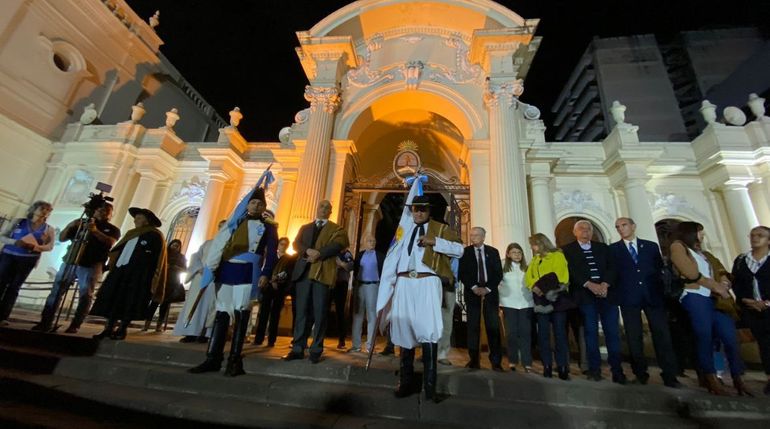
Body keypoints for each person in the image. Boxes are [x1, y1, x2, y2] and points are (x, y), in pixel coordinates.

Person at [376, 194, 464, 402]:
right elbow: (392, 257)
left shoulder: (440, 229)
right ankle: (406, 382)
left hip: (427, 282)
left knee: (428, 329)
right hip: (405, 282)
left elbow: (460, 249)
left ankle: (430, 386)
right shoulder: (402, 231)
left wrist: (437, 242)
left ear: (429, 210)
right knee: (404, 328)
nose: (419, 212)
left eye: (423, 209)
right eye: (415, 209)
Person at [188, 186, 278, 376]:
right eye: (253, 202)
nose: (255, 206)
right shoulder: (234, 222)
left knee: (241, 314)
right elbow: (220, 245)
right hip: (227, 268)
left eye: (260, 204)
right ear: (247, 204)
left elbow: (271, 254)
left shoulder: (269, 227)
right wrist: (212, 267)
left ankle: (234, 360)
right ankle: (213, 357)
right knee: (221, 315)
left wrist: (266, 273)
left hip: (248, 271)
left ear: (264, 207)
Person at [669, 221, 749, 395]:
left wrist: (724, 281)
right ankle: (710, 378)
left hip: (717, 300)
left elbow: (720, 269)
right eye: (699, 232)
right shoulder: (678, 247)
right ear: (690, 233)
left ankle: (738, 378)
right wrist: (714, 285)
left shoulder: (705, 253)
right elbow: (689, 272)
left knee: (730, 338)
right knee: (704, 336)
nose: (702, 235)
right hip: (695, 296)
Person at [610, 217, 680, 387]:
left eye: (624, 225)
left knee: (662, 336)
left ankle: (669, 375)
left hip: (652, 296)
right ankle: (640, 373)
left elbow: (658, 270)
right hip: (629, 298)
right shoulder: (613, 250)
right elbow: (613, 273)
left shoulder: (650, 246)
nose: (621, 229)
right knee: (634, 338)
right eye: (618, 227)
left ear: (633, 226)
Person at [33, 202, 119, 333]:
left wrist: (95, 231)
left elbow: (110, 242)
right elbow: (61, 238)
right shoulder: (80, 223)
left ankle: (75, 324)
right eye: (101, 209)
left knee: (85, 294)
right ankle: (45, 322)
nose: (104, 212)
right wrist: (70, 226)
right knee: (56, 292)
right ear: (94, 210)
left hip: (92, 264)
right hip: (70, 261)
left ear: (111, 214)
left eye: (108, 211)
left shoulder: (112, 229)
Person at [283, 200, 349, 364]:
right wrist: (308, 251)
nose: (324, 209)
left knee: (320, 313)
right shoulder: (305, 227)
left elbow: (339, 244)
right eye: (322, 206)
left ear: (331, 212)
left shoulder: (337, 229)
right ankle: (297, 348)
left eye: (327, 207)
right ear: (317, 208)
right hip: (304, 274)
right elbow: (296, 243)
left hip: (322, 273)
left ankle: (316, 350)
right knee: (301, 313)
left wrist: (319, 253)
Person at [562, 220, 626, 384]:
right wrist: (589, 284)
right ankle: (594, 369)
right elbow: (570, 271)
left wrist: (604, 284)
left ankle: (617, 371)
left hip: (607, 295)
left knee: (613, 333)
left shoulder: (603, 248)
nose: (586, 231)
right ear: (575, 232)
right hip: (585, 296)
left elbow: (613, 267)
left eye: (589, 229)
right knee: (590, 334)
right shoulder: (567, 250)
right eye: (582, 229)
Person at [90, 207, 167, 340]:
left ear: (147, 220)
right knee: (114, 299)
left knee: (130, 301)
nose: (136, 220)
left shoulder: (154, 235)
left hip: (138, 275)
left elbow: (157, 258)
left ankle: (122, 328)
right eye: (135, 217)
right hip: (121, 272)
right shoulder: (131, 233)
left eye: (139, 217)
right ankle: (108, 328)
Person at [0, 200, 55, 324]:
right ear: (34, 209)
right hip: (9, 255)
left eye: (48, 210)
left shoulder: (48, 229)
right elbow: (2, 236)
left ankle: (3, 316)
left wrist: (36, 247)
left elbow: (50, 246)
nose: (44, 212)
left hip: (28, 259)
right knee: (1, 283)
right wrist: (15, 242)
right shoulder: (19, 222)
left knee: (14, 287)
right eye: (42, 209)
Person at [525, 233, 570, 380]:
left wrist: (543, 288)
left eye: (533, 244)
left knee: (559, 334)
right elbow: (528, 277)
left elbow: (561, 275)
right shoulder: (535, 259)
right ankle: (547, 365)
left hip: (556, 298)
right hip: (540, 301)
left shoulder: (557, 256)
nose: (532, 247)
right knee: (543, 335)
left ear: (541, 243)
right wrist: (533, 286)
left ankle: (563, 366)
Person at [732, 225, 770, 396]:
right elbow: (737, 283)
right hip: (751, 308)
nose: (755, 238)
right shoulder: (742, 260)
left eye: (760, 235)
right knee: (764, 343)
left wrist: (767, 303)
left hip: (768, 306)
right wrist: (745, 300)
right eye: (753, 235)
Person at [459, 226, 504, 371]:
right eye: (472, 235)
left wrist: (487, 288)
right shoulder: (465, 253)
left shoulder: (493, 252)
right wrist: (474, 287)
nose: (474, 237)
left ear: (484, 237)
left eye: (477, 235)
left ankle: (496, 361)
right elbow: (463, 273)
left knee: (493, 327)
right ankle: (474, 360)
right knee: (473, 326)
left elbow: (498, 273)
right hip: (472, 293)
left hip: (490, 294)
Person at [174, 220, 226, 343]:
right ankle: (190, 332)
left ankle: (205, 334)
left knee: (210, 307)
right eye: (220, 226)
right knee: (195, 304)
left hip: (215, 280)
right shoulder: (208, 243)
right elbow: (195, 256)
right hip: (201, 278)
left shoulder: (228, 246)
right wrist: (199, 268)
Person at [499, 242, 533, 373]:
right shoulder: (503, 265)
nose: (517, 255)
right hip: (508, 303)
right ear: (508, 254)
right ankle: (512, 360)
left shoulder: (528, 267)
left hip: (526, 303)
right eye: (514, 252)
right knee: (511, 333)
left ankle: (527, 362)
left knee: (525, 333)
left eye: (519, 252)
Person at [253, 236, 292, 347]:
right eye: (281, 244)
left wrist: (277, 279)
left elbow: (288, 272)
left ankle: (271, 340)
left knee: (275, 315)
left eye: (285, 244)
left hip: (280, 289)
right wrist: (270, 280)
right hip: (268, 287)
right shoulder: (271, 256)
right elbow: (265, 268)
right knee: (264, 313)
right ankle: (259, 338)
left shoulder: (289, 258)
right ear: (278, 245)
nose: (283, 246)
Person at [350, 235, 384, 353]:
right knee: (357, 315)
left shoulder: (379, 256)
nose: (372, 242)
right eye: (369, 241)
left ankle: (370, 346)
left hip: (373, 286)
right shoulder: (359, 255)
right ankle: (356, 345)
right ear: (364, 242)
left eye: (374, 241)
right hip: (360, 286)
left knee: (372, 315)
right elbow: (355, 269)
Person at [144, 239, 187, 332]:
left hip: (173, 282)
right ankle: (146, 324)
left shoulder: (181, 257)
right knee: (154, 303)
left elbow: (185, 269)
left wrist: (176, 267)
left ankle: (158, 326)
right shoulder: (164, 254)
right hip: (161, 280)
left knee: (165, 304)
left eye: (177, 246)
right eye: (173, 245)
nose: (175, 247)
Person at [437, 257, 459, 366]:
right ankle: (428, 350)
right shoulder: (432, 252)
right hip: (432, 288)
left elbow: (455, 274)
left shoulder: (454, 256)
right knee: (430, 322)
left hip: (448, 290)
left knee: (446, 322)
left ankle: (442, 353)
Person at [331, 248, 354, 349]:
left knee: (340, 311)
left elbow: (350, 267)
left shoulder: (346, 253)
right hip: (329, 283)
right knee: (322, 309)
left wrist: (340, 263)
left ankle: (341, 339)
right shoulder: (332, 251)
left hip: (341, 284)